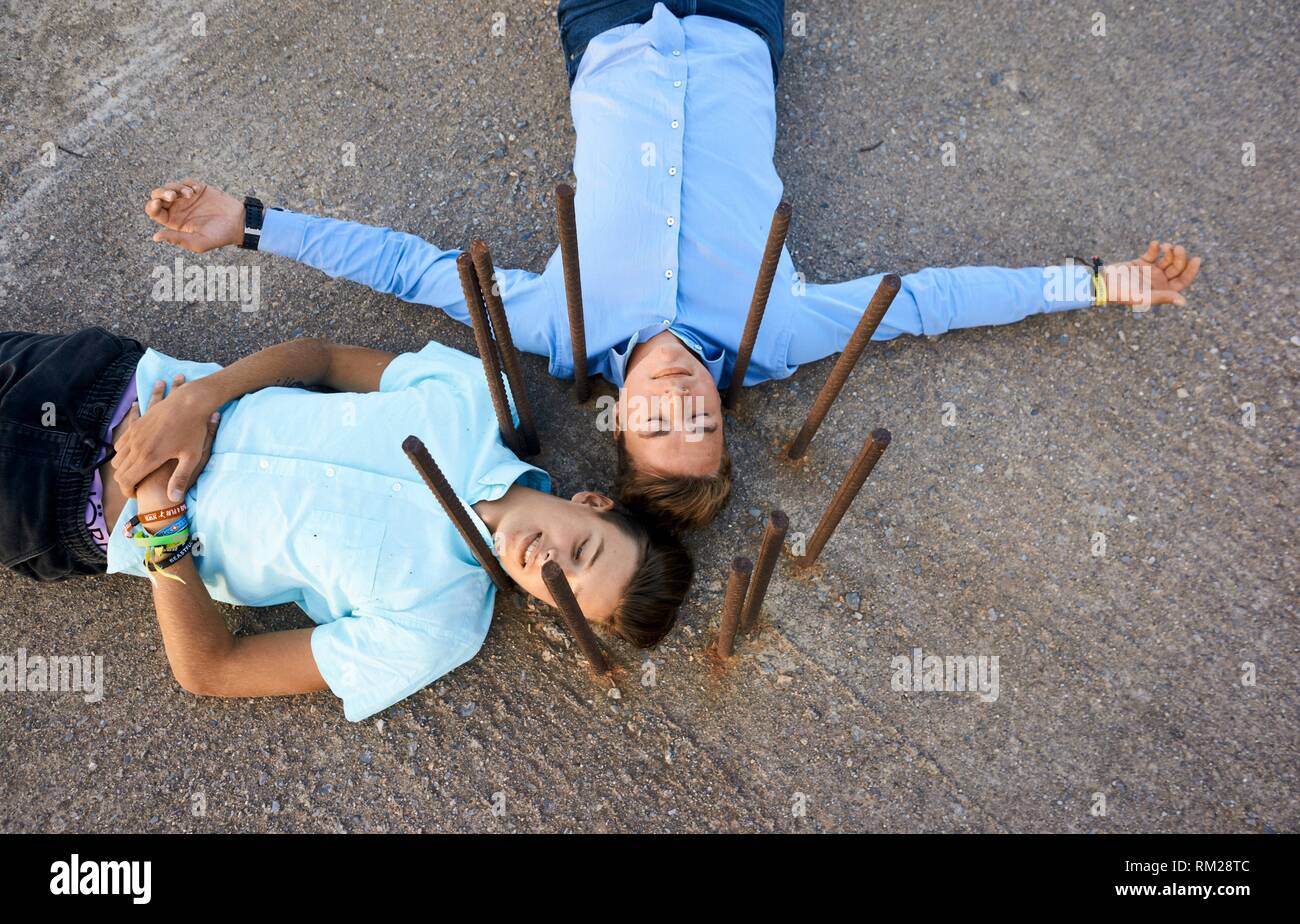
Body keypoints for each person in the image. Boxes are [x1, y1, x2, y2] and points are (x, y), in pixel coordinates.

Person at [140, 1, 1203, 531]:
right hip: (742, 27)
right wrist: (1105, 281)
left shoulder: (557, 328)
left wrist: (249, 223)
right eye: (706, 425)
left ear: (617, 428)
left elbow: (410, 269)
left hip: (609, 27)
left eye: (658, 430)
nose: (682, 404)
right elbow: (927, 302)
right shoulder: (773, 337)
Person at [0, 330, 692, 721]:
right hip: (101, 379)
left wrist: (160, 518)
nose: (550, 560)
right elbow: (321, 361)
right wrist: (204, 395)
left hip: (62, 505)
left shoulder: (436, 626)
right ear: (594, 503)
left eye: (563, 588)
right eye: (583, 549)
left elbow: (214, 669)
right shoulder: (480, 402)